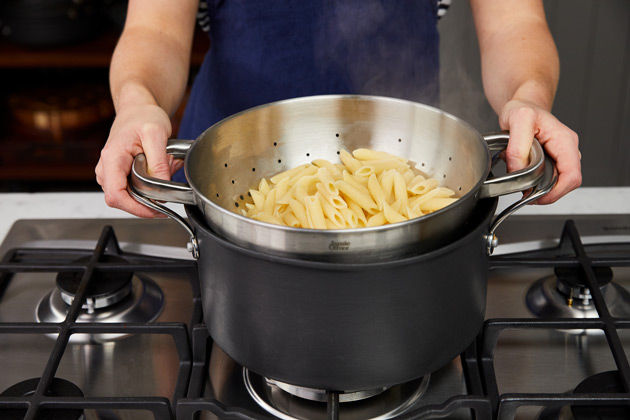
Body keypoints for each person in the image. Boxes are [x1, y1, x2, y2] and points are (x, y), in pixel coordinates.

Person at [95, 0, 582, 218]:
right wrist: (138, 102)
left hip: (408, 164)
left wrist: (527, 97)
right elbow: (153, 30)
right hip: (232, 184)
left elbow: (512, 24)